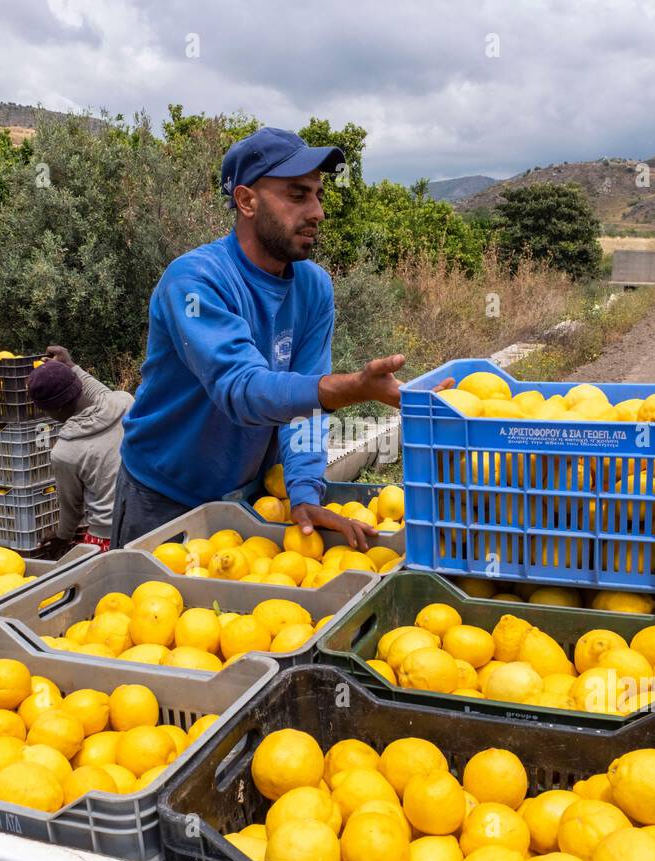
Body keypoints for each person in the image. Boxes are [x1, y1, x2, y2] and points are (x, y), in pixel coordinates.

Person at [112, 126, 448, 550]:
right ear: (246, 201)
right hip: (163, 498)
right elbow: (241, 389)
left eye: (318, 195)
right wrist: (351, 389)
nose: (317, 212)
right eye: (297, 195)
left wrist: (305, 490)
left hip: (249, 496)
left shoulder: (313, 288)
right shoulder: (195, 282)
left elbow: (303, 406)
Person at [27, 346, 133, 552]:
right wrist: (71, 366)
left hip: (109, 537)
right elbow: (103, 394)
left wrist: (62, 537)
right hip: (147, 521)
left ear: (53, 409)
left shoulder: (65, 452)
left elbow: (72, 510)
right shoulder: (125, 402)